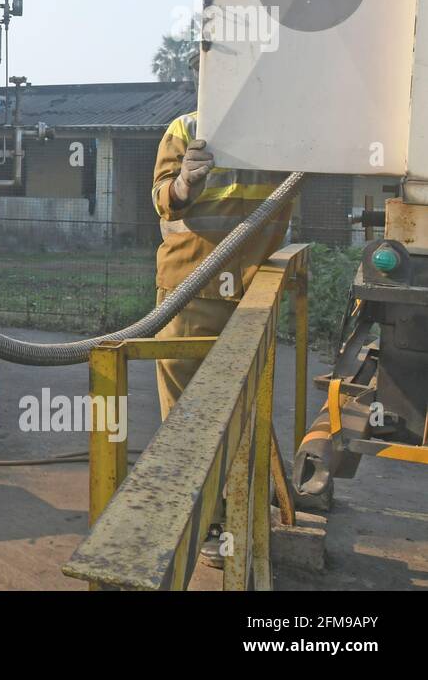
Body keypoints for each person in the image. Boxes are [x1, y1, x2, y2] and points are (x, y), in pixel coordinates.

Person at [151, 102, 290, 565]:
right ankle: (203, 517)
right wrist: (185, 183)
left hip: (252, 293)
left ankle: (237, 512)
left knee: (244, 411)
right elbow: (161, 197)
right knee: (187, 414)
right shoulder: (186, 127)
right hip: (190, 289)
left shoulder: (289, 124)